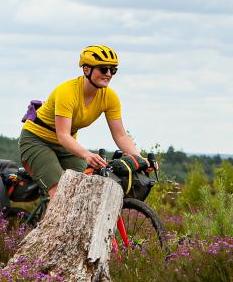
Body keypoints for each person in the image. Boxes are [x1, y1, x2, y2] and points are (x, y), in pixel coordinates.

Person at [20, 45, 147, 198]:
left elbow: (120, 135)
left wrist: (139, 159)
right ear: (86, 69)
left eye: (113, 70)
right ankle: (49, 222)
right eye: (103, 69)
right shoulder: (67, 92)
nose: (108, 74)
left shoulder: (110, 97)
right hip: (37, 140)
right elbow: (63, 135)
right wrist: (87, 155)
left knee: (84, 188)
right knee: (59, 193)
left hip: (65, 146)